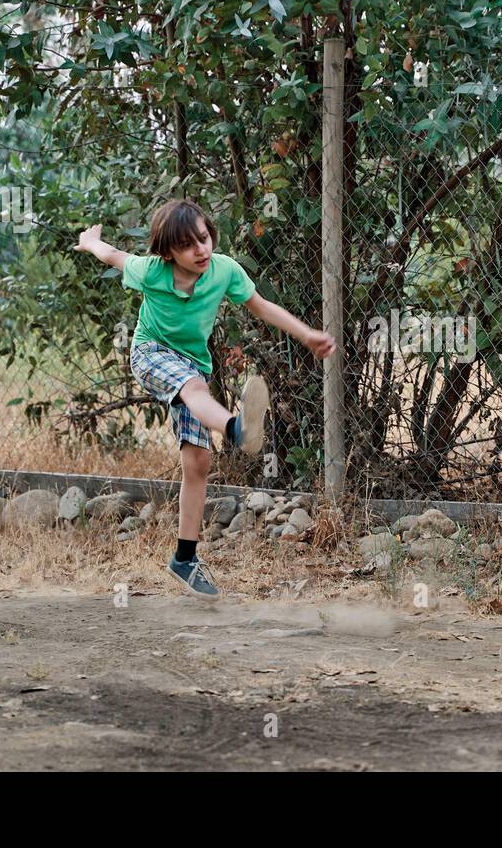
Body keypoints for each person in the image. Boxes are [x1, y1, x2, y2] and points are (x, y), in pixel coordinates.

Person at [75, 198, 335, 599]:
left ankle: (184, 558)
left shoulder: (224, 269)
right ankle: (236, 428)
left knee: (198, 462)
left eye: (204, 238)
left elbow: (262, 307)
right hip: (150, 354)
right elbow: (111, 255)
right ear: (168, 253)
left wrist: (307, 334)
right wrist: (91, 240)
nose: (201, 249)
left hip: (193, 363)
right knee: (194, 390)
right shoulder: (151, 271)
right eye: (188, 245)